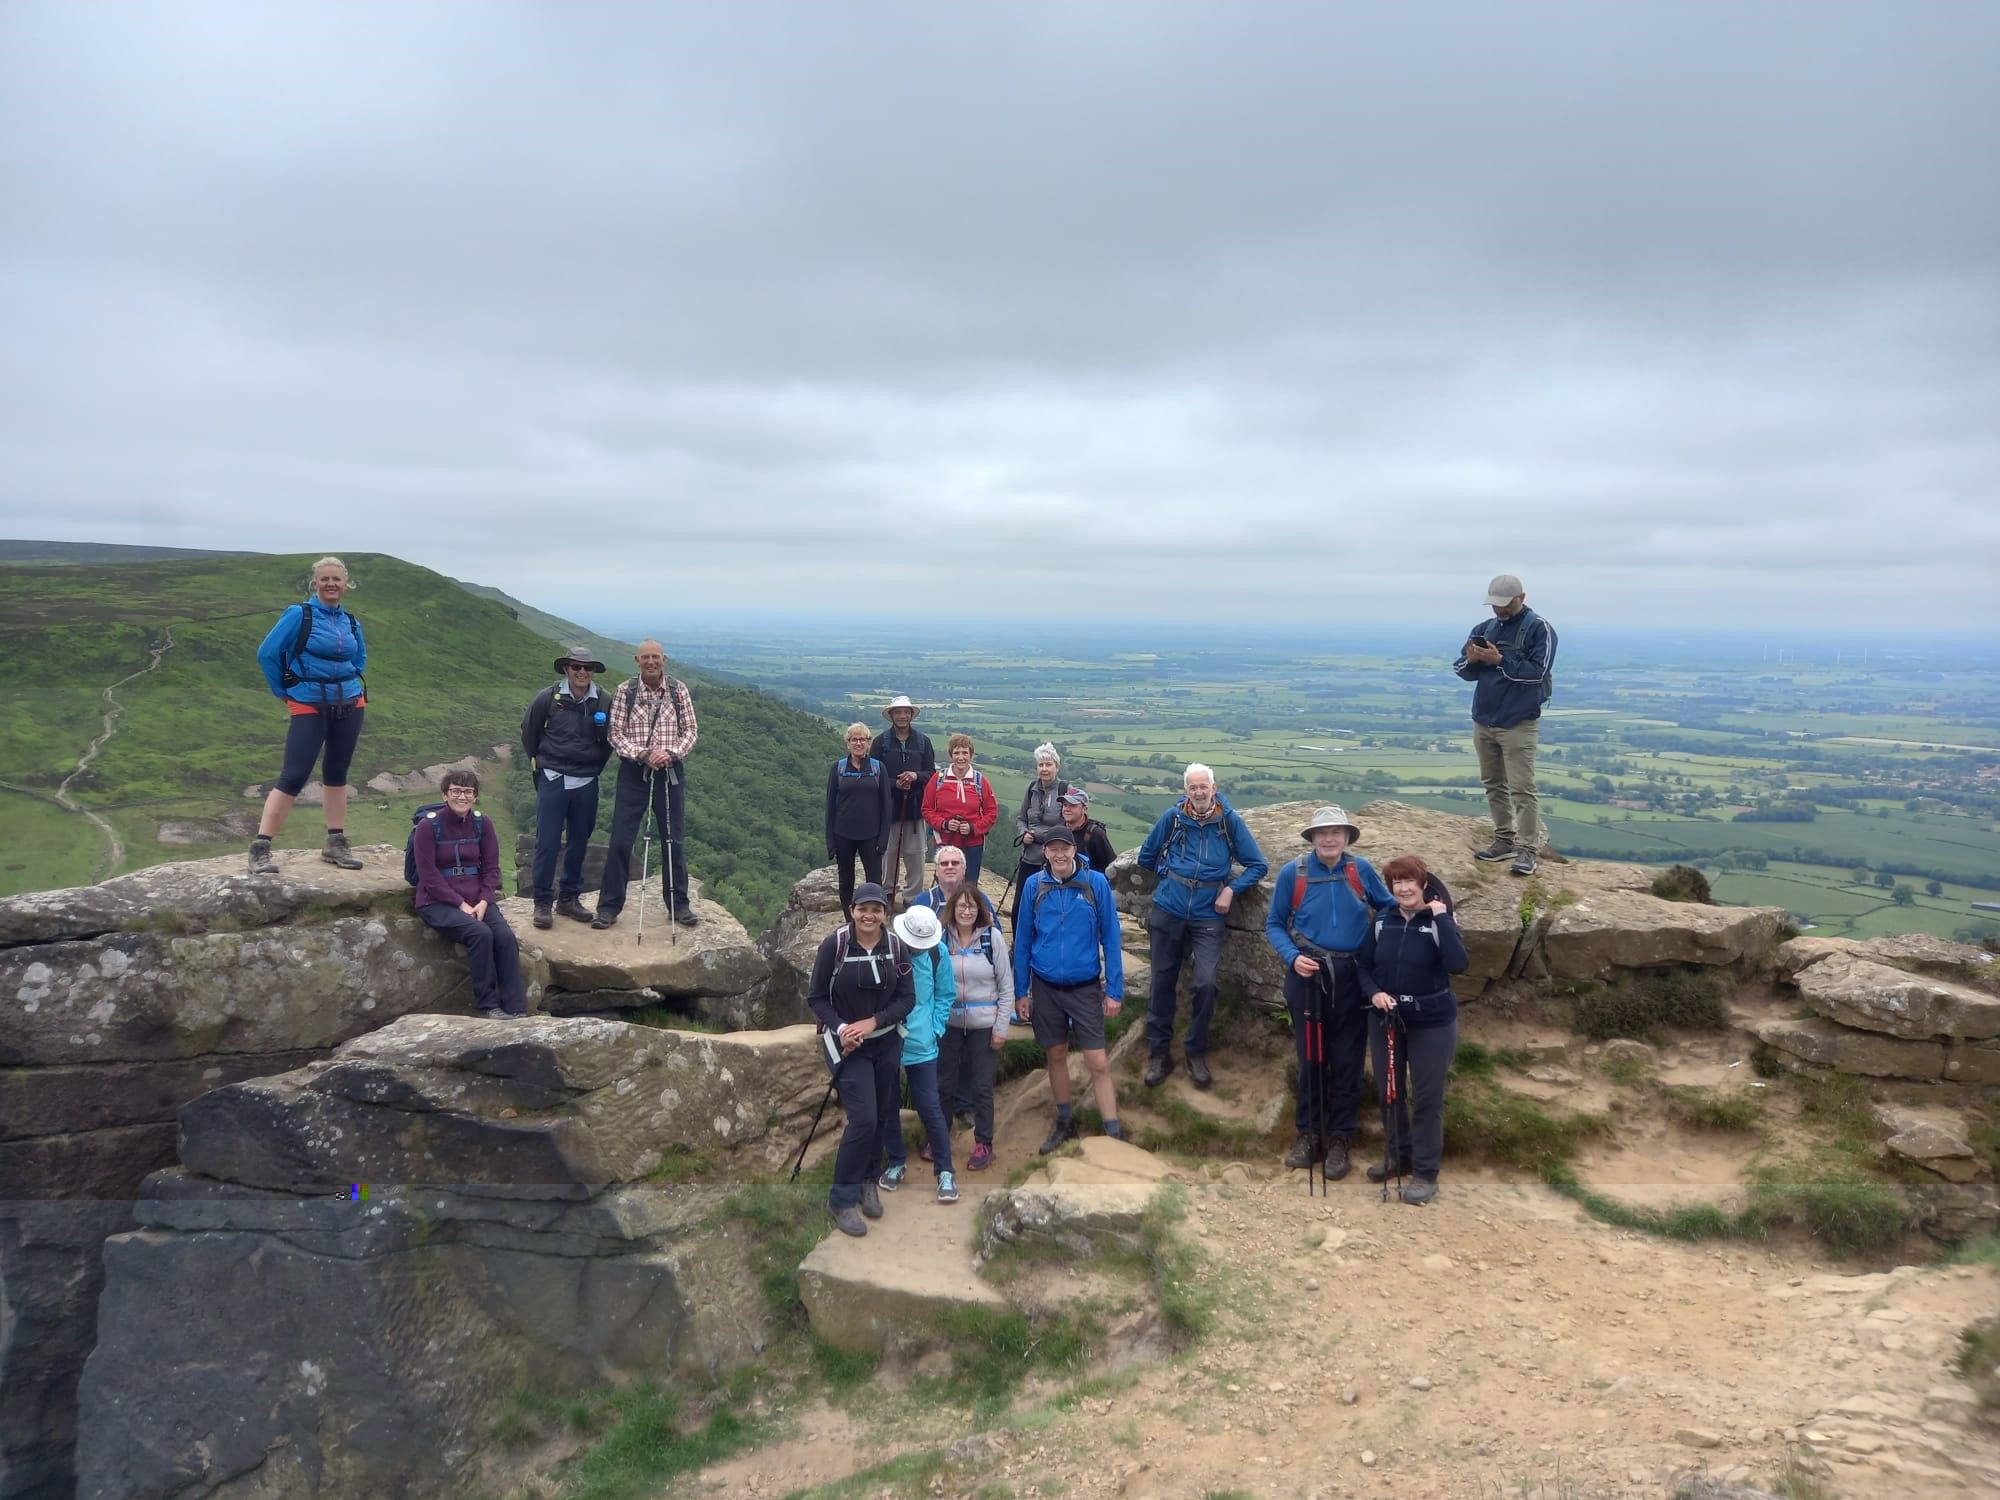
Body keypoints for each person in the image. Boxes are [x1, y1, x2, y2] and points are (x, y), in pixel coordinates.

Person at [1262, 806, 1394, 1179]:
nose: (1329, 838)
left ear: (1347, 837)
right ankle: (1308, 1135)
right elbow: (1274, 923)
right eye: (1322, 833)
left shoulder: (1359, 870)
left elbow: (1387, 909)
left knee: (1348, 1062)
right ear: (1312, 838)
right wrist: (1292, 957)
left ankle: (1339, 1140)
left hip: (1352, 978)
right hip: (1308, 977)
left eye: (1337, 832)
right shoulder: (1294, 873)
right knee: (1311, 1060)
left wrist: (1373, 947)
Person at [1134, 764, 1268, 1090]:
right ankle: (1159, 1053)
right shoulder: (1173, 818)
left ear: (1213, 788)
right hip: (1169, 909)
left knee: (1206, 984)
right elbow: (1147, 856)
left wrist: (1231, 889)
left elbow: (1257, 865)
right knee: (1161, 982)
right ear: (1185, 791)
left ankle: (1195, 1051)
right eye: (1192, 787)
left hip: (1208, 913)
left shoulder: (1228, 822)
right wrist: (1170, 875)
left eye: (1203, 786)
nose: (1198, 792)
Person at [1357, 854, 1469, 1205]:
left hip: (1432, 1022)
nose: (1404, 888)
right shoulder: (1382, 920)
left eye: (1410, 881)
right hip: (1386, 1019)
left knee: (1426, 1098)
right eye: (1397, 882)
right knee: (1390, 1093)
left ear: (1423, 885)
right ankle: (1398, 1156)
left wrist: (1443, 919)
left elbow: (1458, 964)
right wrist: (1374, 994)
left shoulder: (1439, 922)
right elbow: (1363, 966)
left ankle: (1425, 1172)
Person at [806, 882, 915, 1237]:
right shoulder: (835, 945)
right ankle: (841, 1199)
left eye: (876, 909)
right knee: (864, 1118)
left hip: (885, 1043)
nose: (869, 915)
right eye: (863, 909)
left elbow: (907, 999)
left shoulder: (895, 947)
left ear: (886, 913)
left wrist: (873, 1023)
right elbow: (817, 998)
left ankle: (869, 1180)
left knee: (882, 1114)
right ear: (851, 910)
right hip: (847, 1047)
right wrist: (842, 1029)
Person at [249, 556, 368, 874]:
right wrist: (284, 691)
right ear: (315, 583)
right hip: (308, 704)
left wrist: (350, 679)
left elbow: (360, 657)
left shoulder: (350, 621)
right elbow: (267, 653)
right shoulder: (298, 614)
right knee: (294, 775)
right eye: (324, 579)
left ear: (345, 584)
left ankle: (335, 843)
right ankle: (260, 848)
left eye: (336, 579)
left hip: (350, 703)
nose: (331, 584)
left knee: (337, 772)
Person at [1013, 825, 1126, 1154]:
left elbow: (1111, 937)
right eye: (1053, 849)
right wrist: (1021, 991)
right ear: (1045, 852)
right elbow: (1023, 940)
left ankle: (1113, 1131)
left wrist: (1115, 990)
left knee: (1097, 1061)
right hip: (1045, 986)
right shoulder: (1034, 885)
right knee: (1056, 1054)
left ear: (1074, 850)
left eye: (1065, 848)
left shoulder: (1096, 883)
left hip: (1084, 986)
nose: (1059, 854)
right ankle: (1065, 1121)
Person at [1453, 572, 1557, 876]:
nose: (1499, 609)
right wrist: (1474, 660)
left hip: (1518, 722)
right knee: (1493, 784)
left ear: (1521, 598)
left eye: (1506, 603)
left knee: (1522, 788)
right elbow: (1461, 670)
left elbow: (1537, 673)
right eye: (1495, 604)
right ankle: (1503, 840)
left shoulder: (1539, 629)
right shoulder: (1483, 629)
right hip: (1484, 718)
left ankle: (1527, 850)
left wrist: (1500, 661)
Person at [593, 640, 700, 930]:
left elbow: (690, 731)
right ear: (637, 660)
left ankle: (679, 905)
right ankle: (608, 908)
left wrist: (671, 753)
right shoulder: (625, 691)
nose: (651, 662)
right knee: (621, 840)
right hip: (633, 771)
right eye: (646, 657)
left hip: (669, 771)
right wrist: (642, 754)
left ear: (664, 659)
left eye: (655, 657)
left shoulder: (678, 690)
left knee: (673, 839)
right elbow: (615, 734)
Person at [409, 770, 526, 1017]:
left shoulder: (483, 824)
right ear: (445, 795)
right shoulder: (428, 827)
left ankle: (516, 1008)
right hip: (436, 901)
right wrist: (459, 903)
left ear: (475, 796)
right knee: (480, 933)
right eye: (456, 791)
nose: (462, 797)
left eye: (468, 792)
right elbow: (429, 876)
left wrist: (484, 900)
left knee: (505, 937)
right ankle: (489, 1005)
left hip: (477, 898)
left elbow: (491, 868)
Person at [520, 648, 614, 929]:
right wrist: (544, 763)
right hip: (553, 778)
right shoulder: (547, 698)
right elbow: (529, 734)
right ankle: (542, 902)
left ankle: (569, 899)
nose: (582, 672)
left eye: (588, 668)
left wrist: (594, 766)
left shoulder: (604, 700)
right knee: (547, 842)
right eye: (576, 667)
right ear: (566, 669)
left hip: (586, 781)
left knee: (579, 842)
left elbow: (610, 741)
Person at [880, 905, 959, 1204]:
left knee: (929, 1106)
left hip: (923, 1041)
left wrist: (936, 1028)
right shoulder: (886, 950)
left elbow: (945, 994)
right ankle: (896, 1162)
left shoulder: (938, 953)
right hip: (886, 1039)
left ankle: (945, 1171)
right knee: (888, 1104)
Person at [937, 885, 1011, 1171]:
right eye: (961, 906)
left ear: (980, 910)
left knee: (981, 1086)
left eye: (971, 906)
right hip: (949, 1023)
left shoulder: (992, 939)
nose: (966, 911)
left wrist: (1001, 1028)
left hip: (984, 1024)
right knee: (944, 1084)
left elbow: (1006, 986)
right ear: (952, 909)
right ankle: (939, 1137)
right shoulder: (942, 939)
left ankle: (984, 1143)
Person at [824, 722, 894, 920]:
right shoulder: (838, 768)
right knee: (846, 881)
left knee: (874, 882)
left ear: (868, 743)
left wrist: (883, 839)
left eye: (862, 739)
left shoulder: (878, 768)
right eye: (854, 739)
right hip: (843, 834)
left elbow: (886, 806)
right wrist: (830, 842)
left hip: (871, 835)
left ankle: (875, 919)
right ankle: (850, 921)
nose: (858, 743)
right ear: (848, 743)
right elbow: (830, 806)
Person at [872, 695, 935, 907]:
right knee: (888, 853)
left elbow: (931, 773)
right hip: (889, 808)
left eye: (906, 712)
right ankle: (887, 894)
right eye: (898, 712)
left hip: (915, 807)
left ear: (911, 715)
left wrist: (916, 776)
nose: (902, 716)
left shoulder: (923, 742)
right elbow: (874, 775)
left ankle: (913, 898)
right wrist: (895, 784)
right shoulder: (880, 742)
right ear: (891, 715)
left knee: (916, 855)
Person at [921, 733, 999, 884]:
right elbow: (926, 809)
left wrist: (973, 828)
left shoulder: (980, 781)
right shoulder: (938, 779)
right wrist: (944, 824)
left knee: (969, 885)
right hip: (944, 841)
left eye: (965, 752)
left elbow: (991, 812)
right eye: (957, 753)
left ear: (971, 755)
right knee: (945, 883)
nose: (961, 757)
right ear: (951, 755)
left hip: (972, 844)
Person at [1011, 743, 1070, 929]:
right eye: (1041, 765)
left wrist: (1037, 835)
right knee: (1020, 906)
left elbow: (1066, 825)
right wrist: (1023, 834)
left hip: (1054, 860)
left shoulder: (1064, 790)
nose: (1044, 769)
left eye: (1048, 764)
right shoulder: (1031, 789)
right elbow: (1021, 819)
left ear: (1057, 767)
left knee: (1048, 907)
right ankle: (1018, 942)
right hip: (1029, 857)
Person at [1059, 788, 1117, 877]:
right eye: (1065, 805)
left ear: (1085, 808)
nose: (1067, 809)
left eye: (1073, 805)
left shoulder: (1095, 833)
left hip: (1089, 882)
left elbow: (1109, 865)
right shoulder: (1058, 831)